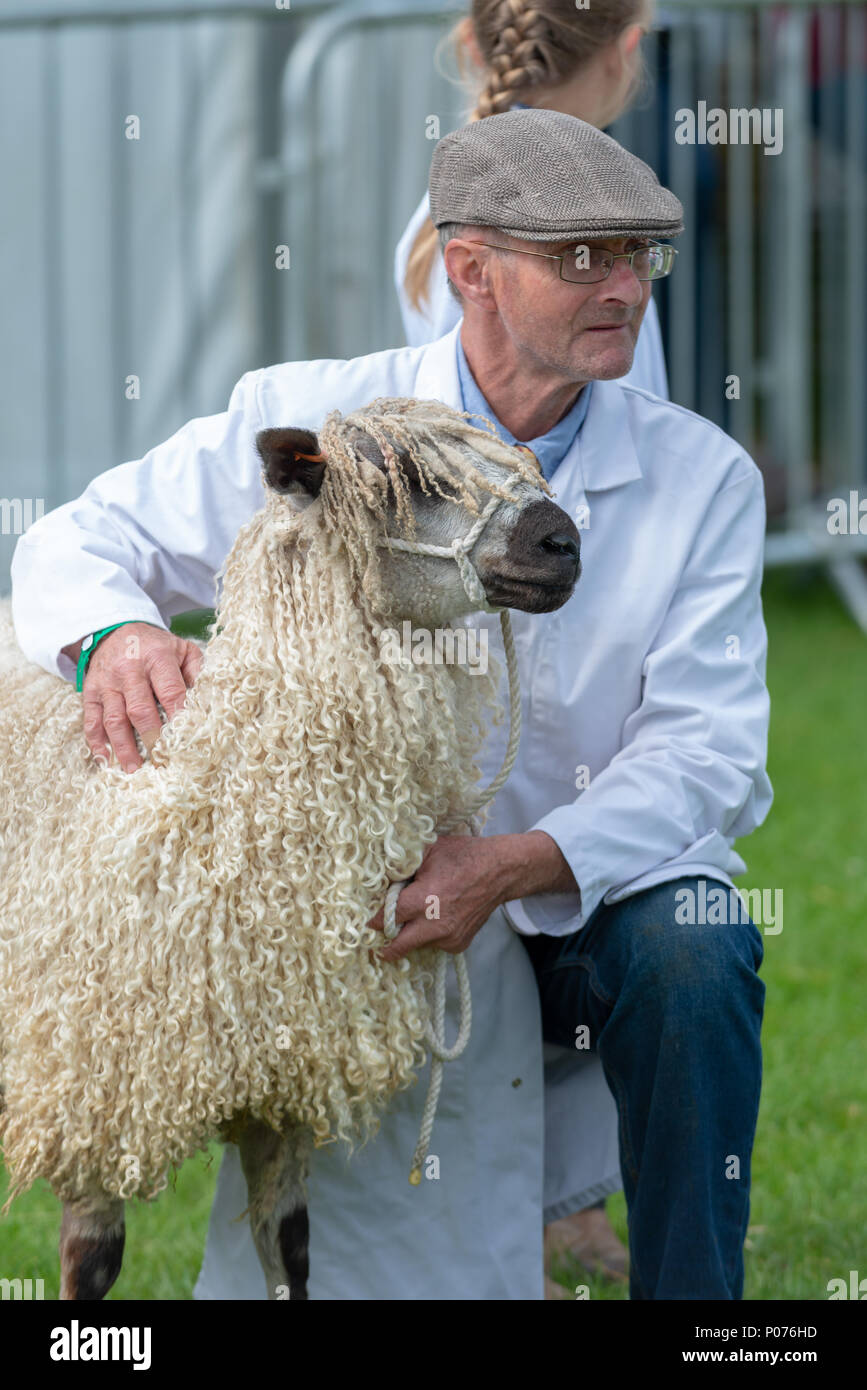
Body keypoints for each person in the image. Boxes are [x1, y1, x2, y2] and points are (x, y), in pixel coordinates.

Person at [11, 110, 771, 1300]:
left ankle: (697, 1315)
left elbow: (710, 750)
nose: (624, 285)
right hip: (357, 916)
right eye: (582, 256)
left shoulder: (701, 478)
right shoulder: (324, 422)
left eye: (637, 255)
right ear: (469, 268)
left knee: (698, 951)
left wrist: (517, 860)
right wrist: (116, 632)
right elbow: (80, 536)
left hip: (577, 896)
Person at [396, 0, 662, 1292]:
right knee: (583, 880)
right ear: (622, 48)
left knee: (570, 882)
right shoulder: (576, 257)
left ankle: (555, 1201)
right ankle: (550, 1205)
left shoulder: (459, 215)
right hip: (512, 628)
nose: (616, 279)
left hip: (486, 642)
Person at [395, 0, 670, 403]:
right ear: (626, 50)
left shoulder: (446, 196)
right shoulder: (590, 200)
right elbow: (628, 412)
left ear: (473, 43)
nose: (625, 289)